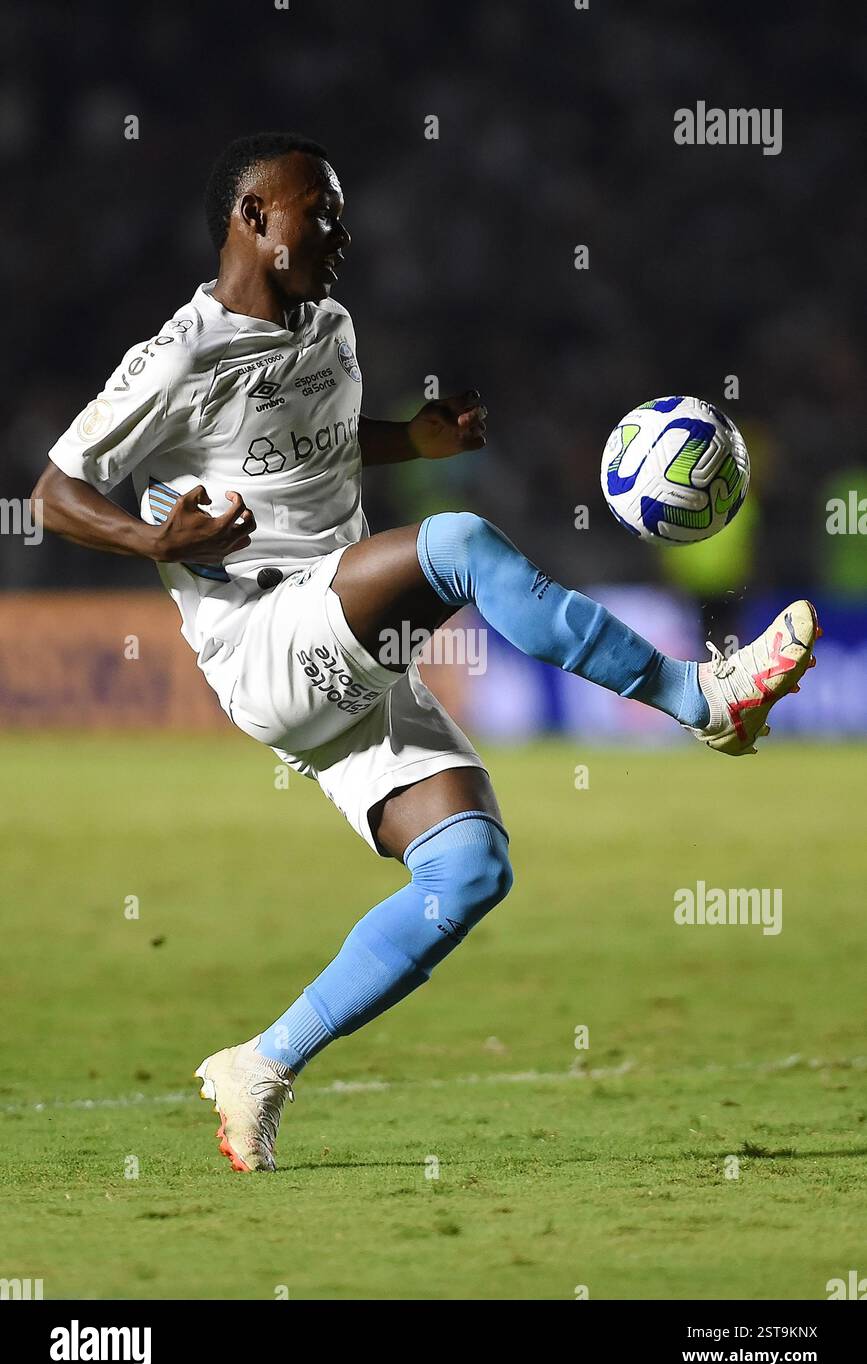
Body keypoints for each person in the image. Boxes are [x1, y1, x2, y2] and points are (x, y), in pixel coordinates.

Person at [32, 132, 819, 1172]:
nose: (343, 234)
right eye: (323, 212)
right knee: (455, 546)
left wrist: (414, 437)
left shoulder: (332, 326)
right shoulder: (177, 356)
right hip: (262, 639)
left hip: (354, 645)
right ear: (256, 216)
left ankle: (261, 1064)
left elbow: (318, 439)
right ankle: (698, 695)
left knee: (470, 868)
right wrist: (151, 539)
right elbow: (54, 491)